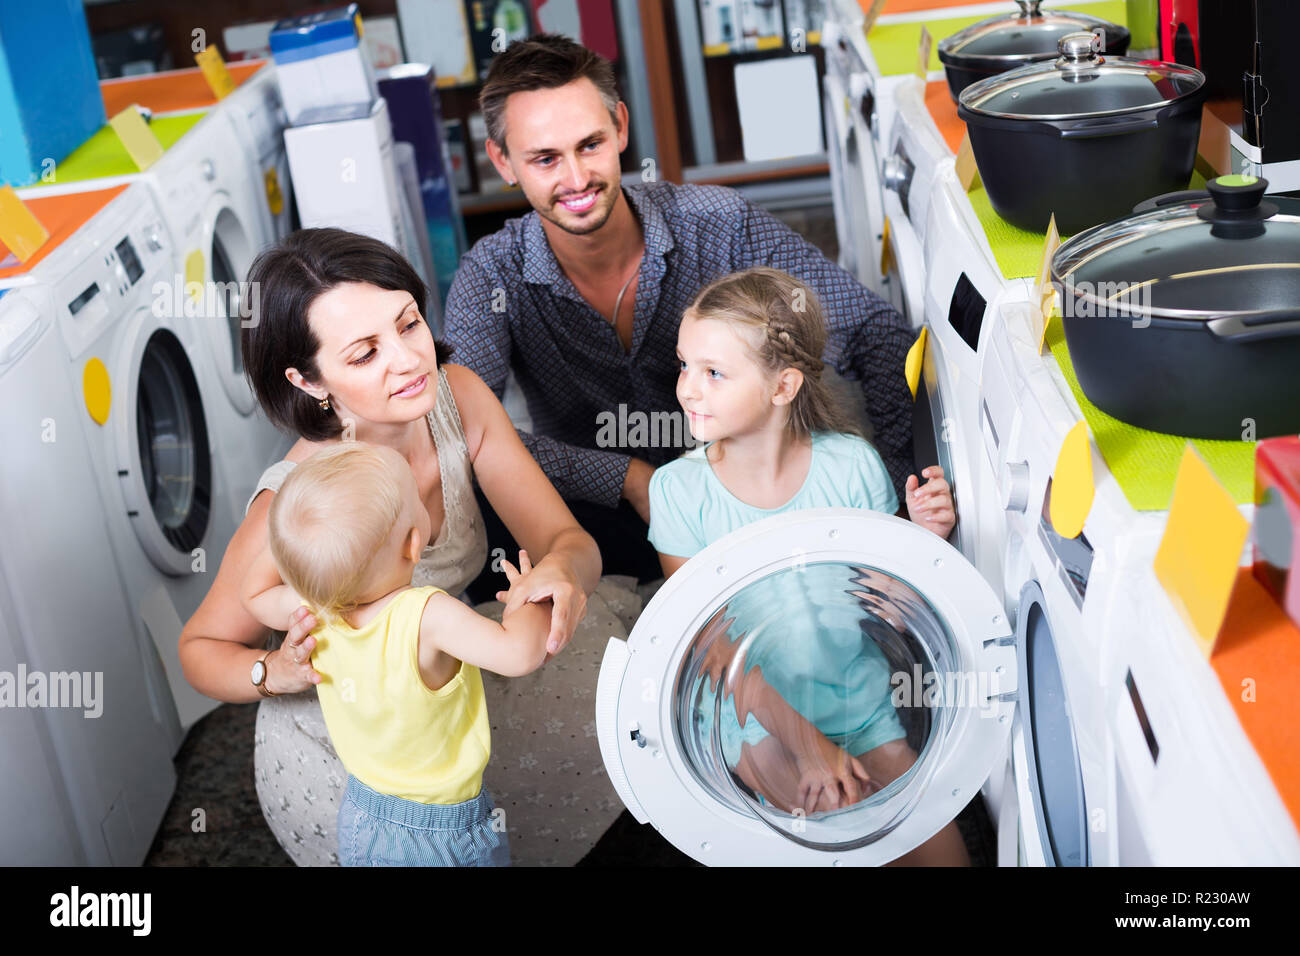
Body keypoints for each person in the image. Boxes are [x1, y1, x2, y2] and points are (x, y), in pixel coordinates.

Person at [177, 228, 601, 866]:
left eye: (408, 323)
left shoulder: (458, 398)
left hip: (443, 686)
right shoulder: (299, 498)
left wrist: (564, 572)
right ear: (308, 379)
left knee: (624, 671)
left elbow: (568, 542)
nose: (408, 359)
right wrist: (276, 672)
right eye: (365, 353)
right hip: (354, 756)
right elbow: (199, 651)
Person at [441, 34, 915, 600]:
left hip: (748, 492)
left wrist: (897, 489)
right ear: (504, 162)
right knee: (482, 503)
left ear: (620, 127)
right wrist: (626, 479)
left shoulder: (716, 222)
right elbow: (459, 427)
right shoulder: (491, 274)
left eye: (590, 145)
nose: (575, 179)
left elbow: (873, 331)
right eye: (545, 159)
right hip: (597, 514)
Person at [647, 267, 968, 866]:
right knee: (822, 832)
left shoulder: (851, 467)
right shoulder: (678, 492)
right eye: (684, 365)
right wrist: (811, 747)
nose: (688, 388)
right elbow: (715, 654)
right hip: (751, 718)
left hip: (859, 699)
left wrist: (927, 540)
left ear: (783, 385)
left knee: (939, 853)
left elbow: (885, 611)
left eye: (713, 372)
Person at [242, 442, 552, 866]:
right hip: (443, 831)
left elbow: (253, 593)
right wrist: (529, 600)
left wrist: (296, 545)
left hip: (363, 815)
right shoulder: (428, 614)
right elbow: (521, 654)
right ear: (413, 542)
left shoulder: (316, 607)